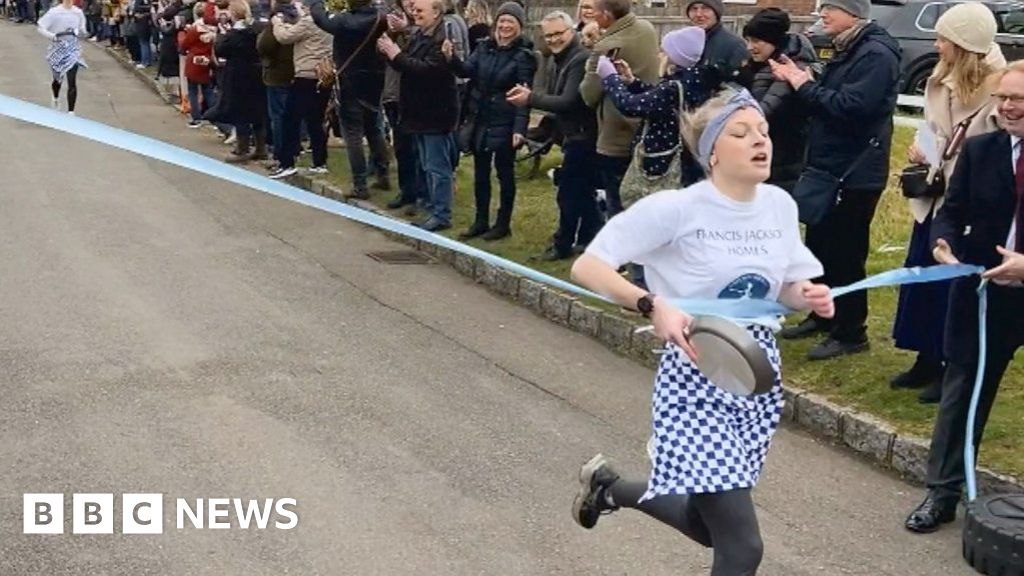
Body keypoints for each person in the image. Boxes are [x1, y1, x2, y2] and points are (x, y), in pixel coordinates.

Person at [569, 88, 833, 575]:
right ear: (712, 151)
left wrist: (806, 296)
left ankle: (610, 487)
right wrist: (652, 305)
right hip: (696, 377)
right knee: (742, 548)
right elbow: (588, 266)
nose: (760, 141)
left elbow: (788, 287)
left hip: (757, 376)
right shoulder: (676, 208)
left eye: (764, 132)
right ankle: (612, 487)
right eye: (741, 133)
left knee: (707, 524)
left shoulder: (778, 205)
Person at [904, 59, 1024, 534]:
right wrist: (944, 242)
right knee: (964, 389)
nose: (1009, 107)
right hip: (984, 292)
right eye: (1004, 97)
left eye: (1019, 99)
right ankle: (942, 493)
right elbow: (951, 212)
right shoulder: (981, 150)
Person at [770, 0, 900, 360]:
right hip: (830, 167)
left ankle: (851, 331)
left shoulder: (876, 54)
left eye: (830, 8)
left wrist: (803, 85)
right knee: (821, 247)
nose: (821, 14)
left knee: (846, 253)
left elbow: (852, 107)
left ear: (854, 14)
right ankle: (824, 315)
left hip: (855, 172)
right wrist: (803, 80)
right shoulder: (847, 48)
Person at [894, 2, 1004, 404]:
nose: (937, 46)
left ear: (963, 44)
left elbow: (992, 147)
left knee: (952, 287)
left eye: (944, 39)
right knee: (920, 276)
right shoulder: (940, 79)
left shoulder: (997, 88)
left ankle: (948, 365)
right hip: (933, 195)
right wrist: (924, 149)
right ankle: (924, 356)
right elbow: (932, 127)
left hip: (966, 201)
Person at [507, 10, 601, 261]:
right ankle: (590, 239)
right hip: (573, 135)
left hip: (584, 136)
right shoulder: (557, 59)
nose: (554, 40)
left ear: (571, 31)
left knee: (569, 194)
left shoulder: (579, 59)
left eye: (559, 33)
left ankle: (563, 244)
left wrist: (531, 99)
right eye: (548, 36)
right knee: (582, 193)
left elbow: (569, 101)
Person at [443, 1, 535, 240]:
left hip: (505, 120)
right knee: (480, 172)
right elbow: (465, 71)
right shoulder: (484, 48)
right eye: (502, 21)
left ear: (519, 27)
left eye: (510, 22)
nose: (505, 26)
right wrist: (451, 57)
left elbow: (525, 93)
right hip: (481, 119)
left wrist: (519, 128)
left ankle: (503, 224)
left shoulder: (524, 55)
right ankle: (480, 221)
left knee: (505, 174)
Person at [377, 0, 459, 232]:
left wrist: (395, 55)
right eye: (414, 9)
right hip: (418, 113)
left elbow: (427, 70)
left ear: (436, 12)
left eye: (420, 10)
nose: (415, 13)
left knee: (437, 166)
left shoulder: (442, 39)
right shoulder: (420, 34)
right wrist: (388, 47)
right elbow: (406, 61)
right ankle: (432, 206)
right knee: (426, 164)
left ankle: (442, 214)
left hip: (436, 113)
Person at [598, 26, 712, 185]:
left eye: (663, 52)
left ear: (674, 58)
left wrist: (610, 78)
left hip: (661, 163)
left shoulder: (671, 88)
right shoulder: (691, 82)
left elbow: (629, 105)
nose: (659, 56)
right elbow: (656, 101)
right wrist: (632, 81)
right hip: (685, 163)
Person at [579, 0, 659, 217]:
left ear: (606, 14)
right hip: (647, 129)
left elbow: (588, 95)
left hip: (616, 135)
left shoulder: (607, 45)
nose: (592, 15)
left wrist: (591, 67)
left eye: (594, 11)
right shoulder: (647, 29)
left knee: (617, 206)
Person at [308, 0, 390, 194]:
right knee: (374, 129)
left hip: (350, 80)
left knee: (352, 134)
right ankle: (383, 174)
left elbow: (321, 20)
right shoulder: (380, 18)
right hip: (374, 80)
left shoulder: (344, 21)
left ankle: (360, 184)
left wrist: (315, 3)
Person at [739, 7, 817, 192]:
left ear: (774, 41)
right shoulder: (757, 65)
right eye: (748, 40)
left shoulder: (790, 69)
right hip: (764, 153)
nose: (750, 47)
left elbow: (764, 110)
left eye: (757, 41)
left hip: (783, 156)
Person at [269, 0, 332, 177]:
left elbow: (284, 37)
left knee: (290, 118)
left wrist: (277, 22)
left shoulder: (309, 21)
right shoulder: (328, 21)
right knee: (315, 120)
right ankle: (320, 161)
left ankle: (287, 162)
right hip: (323, 74)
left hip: (305, 74)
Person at [216, 0, 269, 163]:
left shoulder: (234, 34)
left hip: (238, 74)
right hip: (257, 72)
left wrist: (221, 35)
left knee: (241, 112)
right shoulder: (258, 29)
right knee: (258, 110)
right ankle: (261, 148)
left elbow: (221, 50)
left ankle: (242, 148)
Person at [256, 0, 295, 168]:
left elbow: (264, 45)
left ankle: (280, 154)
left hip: (277, 72)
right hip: (295, 72)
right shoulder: (299, 18)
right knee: (293, 116)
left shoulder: (277, 21)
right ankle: (294, 149)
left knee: (278, 116)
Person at [37, 0, 88, 114]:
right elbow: (40, 27)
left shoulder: (78, 12)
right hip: (57, 47)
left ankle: (71, 112)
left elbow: (82, 29)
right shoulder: (54, 12)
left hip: (72, 48)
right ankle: (55, 97)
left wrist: (80, 32)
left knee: (72, 80)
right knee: (57, 79)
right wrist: (53, 36)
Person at [685, 0, 747, 84]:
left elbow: (739, 86)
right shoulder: (684, 42)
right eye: (694, 9)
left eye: (705, 8)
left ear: (716, 13)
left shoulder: (734, 45)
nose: (698, 14)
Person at [179, 4, 219, 128]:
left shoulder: (195, 29)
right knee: (208, 90)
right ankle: (215, 117)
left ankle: (196, 118)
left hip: (194, 61)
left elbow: (185, 44)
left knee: (193, 91)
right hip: (206, 61)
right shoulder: (215, 31)